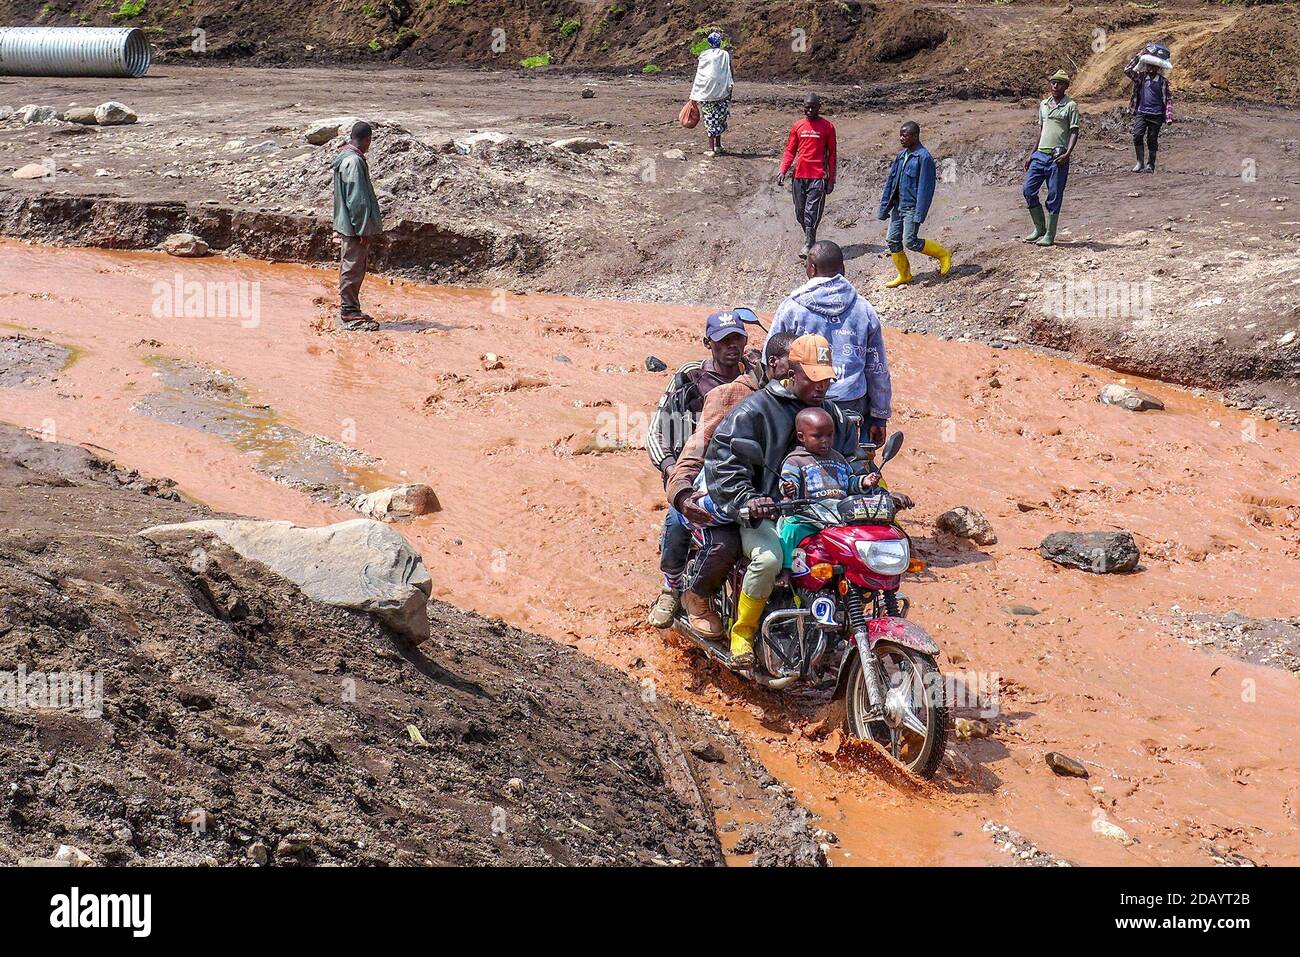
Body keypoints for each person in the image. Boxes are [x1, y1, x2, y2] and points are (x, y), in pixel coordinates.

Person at [702, 334, 860, 668]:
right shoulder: (755, 410)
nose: (821, 386)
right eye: (813, 378)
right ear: (793, 372)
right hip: (768, 515)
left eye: (827, 379)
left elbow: (854, 461)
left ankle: (839, 629)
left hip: (822, 516)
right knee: (769, 559)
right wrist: (750, 500)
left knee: (857, 555)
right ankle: (742, 635)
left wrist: (875, 491)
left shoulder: (832, 415)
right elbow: (724, 461)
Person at [666, 332, 797, 638]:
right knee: (725, 544)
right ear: (775, 364)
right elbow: (697, 448)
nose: (800, 374)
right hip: (729, 495)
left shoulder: (808, 398)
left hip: (780, 500)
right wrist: (682, 491)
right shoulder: (732, 395)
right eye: (794, 365)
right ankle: (693, 597)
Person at [646, 309, 756, 628]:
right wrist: (671, 469)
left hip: (741, 470)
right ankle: (672, 588)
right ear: (708, 343)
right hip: (694, 467)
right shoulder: (690, 376)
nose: (731, 346)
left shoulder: (754, 374)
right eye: (723, 340)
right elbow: (658, 427)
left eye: (737, 338)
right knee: (679, 516)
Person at [767, 240, 892, 448]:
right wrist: (879, 417)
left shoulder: (792, 307)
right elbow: (876, 368)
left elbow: (771, 358)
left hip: (803, 405)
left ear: (812, 269)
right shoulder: (863, 309)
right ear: (842, 269)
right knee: (855, 465)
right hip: (851, 405)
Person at [776, 406, 883, 567]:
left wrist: (864, 482)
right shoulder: (795, 460)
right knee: (790, 529)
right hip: (809, 517)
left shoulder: (838, 458)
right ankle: (785, 569)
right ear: (801, 437)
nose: (825, 441)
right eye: (817, 436)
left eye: (829, 435)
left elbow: (849, 483)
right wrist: (789, 487)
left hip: (839, 516)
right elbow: (787, 482)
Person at [878, 120, 952, 289]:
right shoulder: (901, 156)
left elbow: (926, 188)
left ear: (916, 136)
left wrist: (920, 213)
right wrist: (884, 207)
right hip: (898, 206)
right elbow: (891, 182)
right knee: (892, 240)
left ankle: (943, 254)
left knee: (910, 241)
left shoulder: (924, 158)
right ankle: (904, 275)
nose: (901, 138)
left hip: (911, 207)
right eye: (900, 134)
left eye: (905, 135)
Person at [332, 120, 383, 331]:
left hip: (348, 225)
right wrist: (362, 229)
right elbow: (357, 200)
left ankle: (350, 308)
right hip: (354, 228)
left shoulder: (346, 157)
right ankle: (349, 312)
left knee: (350, 266)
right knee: (353, 268)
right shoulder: (353, 162)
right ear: (367, 140)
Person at [1022, 69, 1080, 248]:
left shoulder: (1070, 106)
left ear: (1066, 87)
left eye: (1060, 83)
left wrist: (1067, 154)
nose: (1055, 86)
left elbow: (1074, 131)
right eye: (1053, 82)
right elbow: (1041, 131)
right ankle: (1039, 228)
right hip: (1040, 155)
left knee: (1054, 195)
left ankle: (1049, 234)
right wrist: (1032, 153)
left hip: (1057, 157)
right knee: (1028, 190)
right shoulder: (1043, 104)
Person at [776, 93, 837, 258]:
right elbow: (790, 150)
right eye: (807, 107)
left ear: (819, 107)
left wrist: (831, 180)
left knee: (812, 212)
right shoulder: (798, 126)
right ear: (803, 106)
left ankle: (809, 244)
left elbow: (832, 155)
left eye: (813, 107)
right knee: (800, 212)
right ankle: (810, 238)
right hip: (799, 177)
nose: (810, 110)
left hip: (818, 177)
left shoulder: (828, 127)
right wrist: (783, 170)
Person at [1125, 47, 1173, 173]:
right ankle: (1140, 162)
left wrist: (1168, 116)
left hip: (1156, 115)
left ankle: (1150, 164)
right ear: (1145, 65)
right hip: (1142, 112)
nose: (1151, 68)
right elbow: (1127, 70)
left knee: (1152, 140)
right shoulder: (1141, 78)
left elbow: (1167, 99)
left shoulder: (1162, 82)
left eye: (1154, 66)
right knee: (1137, 136)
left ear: (1158, 67)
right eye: (1149, 66)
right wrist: (1138, 56)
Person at [690, 31, 733, 157]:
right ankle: (718, 146)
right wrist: (730, 86)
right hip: (723, 92)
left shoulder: (704, 55)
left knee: (710, 119)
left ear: (709, 43)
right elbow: (730, 70)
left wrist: (694, 94)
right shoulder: (725, 54)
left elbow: (700, 75)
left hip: (707, 92)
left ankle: (711, 149)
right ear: (720, 42)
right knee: (720, 118)